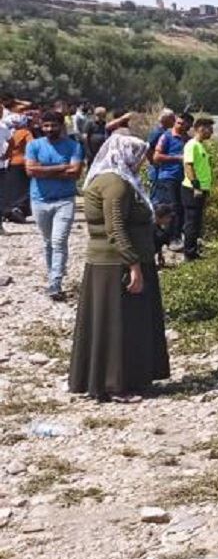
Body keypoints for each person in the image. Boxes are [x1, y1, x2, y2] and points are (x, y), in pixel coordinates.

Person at [69, 134, 170, 402]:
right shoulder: (116, 184)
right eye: (138, 156)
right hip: (116, 265)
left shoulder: (112, 180)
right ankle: (115, 385)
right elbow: (115, 228)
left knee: (123, 323)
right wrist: (133, 265)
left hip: (113, 263)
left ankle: (126, 379)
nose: (141, 162)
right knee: (118, 325)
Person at [25, 111, 85, 300]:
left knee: (59, 240)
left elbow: (75, 173)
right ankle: (53, 273)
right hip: (39, 200)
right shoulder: (34, 145)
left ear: (61, 126)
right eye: (46, 126)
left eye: (53, 125)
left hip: (64, 200)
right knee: (48, 241)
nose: (49, 129)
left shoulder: (74, 146)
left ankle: (55, 282)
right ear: (41, 126)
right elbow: (30, 171)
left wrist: (42, 170)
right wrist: (62, 167)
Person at [151, 111, 192, 248]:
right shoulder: (166, 136)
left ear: (188, 126)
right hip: (168, 177)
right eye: (178, 122)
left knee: (182, 208)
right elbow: (156, 157)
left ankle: (176, 236)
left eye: (183, 124)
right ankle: (172, 239)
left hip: (184, 178)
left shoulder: (188, 140)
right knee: (172, 207)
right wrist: (177, 158)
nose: (179, 125)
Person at [181, 116, 215, 260]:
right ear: (201, 129)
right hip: (192, 189)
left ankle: (194, 251)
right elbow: (188, 166)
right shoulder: (192, 145)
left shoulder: (200, 145)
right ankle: (189, 254)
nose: (212, 132)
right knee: (191, 222)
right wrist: (196, 186)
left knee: (196, 222)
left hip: (201, 189)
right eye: (210, 129)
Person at [3, 106, 35, 223]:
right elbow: (32, 145)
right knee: (24, 189)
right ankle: (20, 210)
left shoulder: (6, 133)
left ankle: (8, 210)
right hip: (23, 163)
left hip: (9, 163)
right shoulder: (25, 132)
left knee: (11, 189)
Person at [144, 110, 175, 184]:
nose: (174, 120)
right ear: (165, 119)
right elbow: (147, 148)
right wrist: (153, 162)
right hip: (156, 171)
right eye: (172, 118)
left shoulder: (165, 132)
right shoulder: (158, 132)